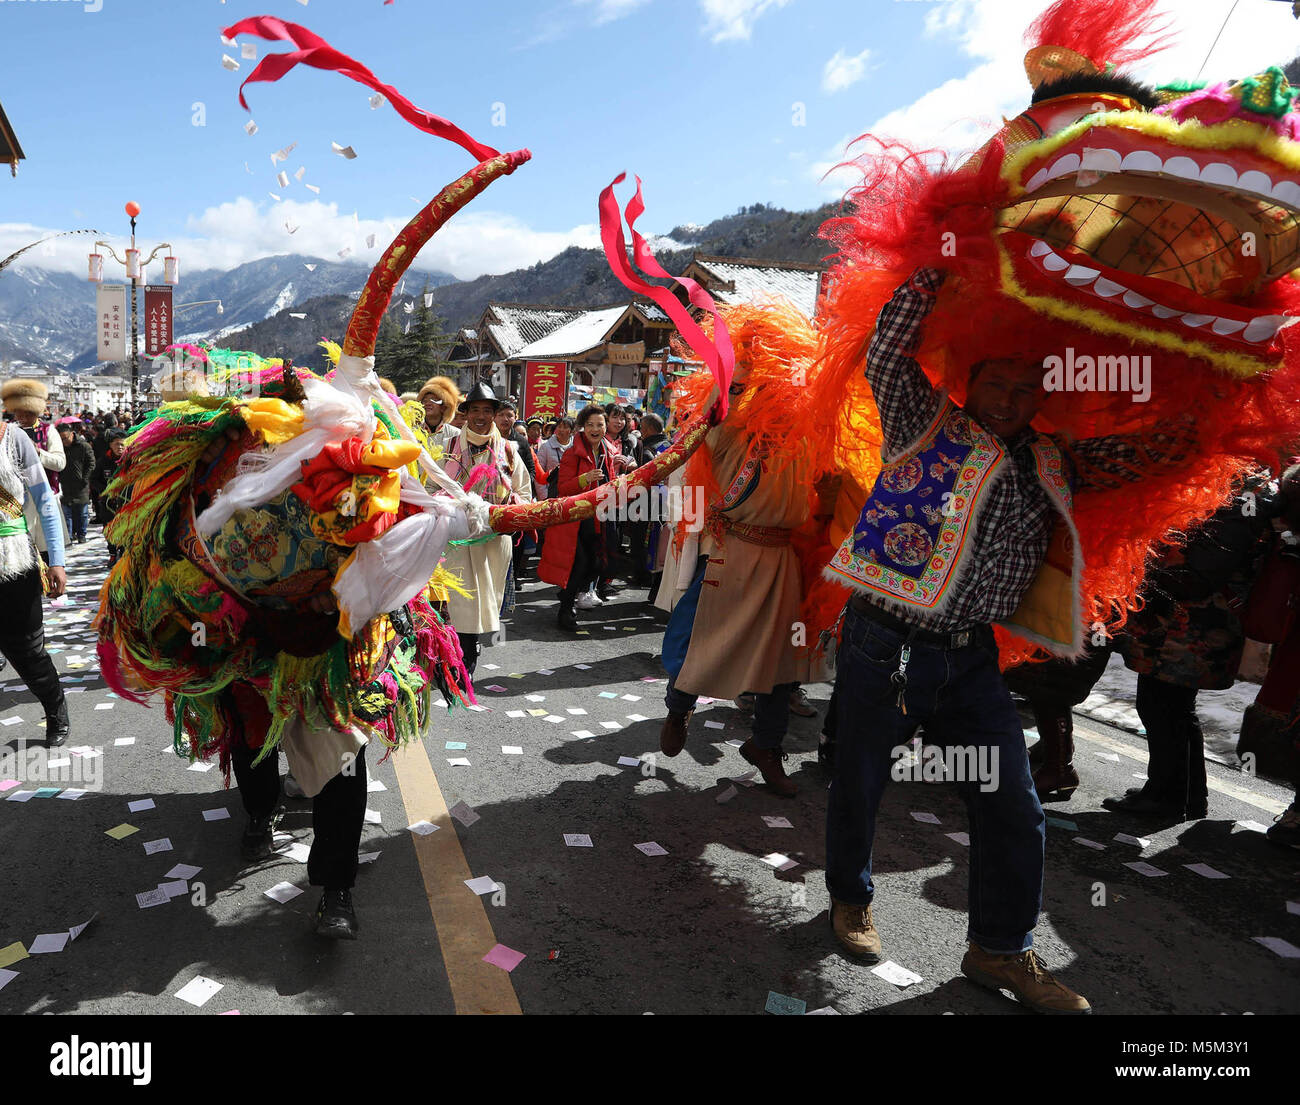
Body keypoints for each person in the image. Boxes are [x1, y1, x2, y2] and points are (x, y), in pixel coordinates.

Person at [821, 268, 1184, 1014]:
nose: (1012, 402)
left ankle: (998, 948)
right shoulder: (922, 420)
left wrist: (1213, 396)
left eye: (1027, 390)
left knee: (1013, 804)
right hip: (882, 642)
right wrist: (934, 270)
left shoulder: (1055, 459)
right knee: (861, 777)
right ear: (971, 380)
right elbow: (887, 354)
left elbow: (1149, 453)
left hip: (970, 657)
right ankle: (850, 900)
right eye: (1000, 385)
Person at [1105, 472, 1283, 821]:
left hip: (1195, 621)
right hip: (1191, 618)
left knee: (1162, 706)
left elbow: (1205, 569)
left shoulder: (1244, 489)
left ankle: (1165, 797)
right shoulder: (1244, 484)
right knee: (1172, 707)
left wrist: (1151, 575)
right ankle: (1185, 793)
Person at [441, 382, 532, 674]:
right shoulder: (449, 448)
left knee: (484, 596)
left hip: (493, 537)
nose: (481, 417)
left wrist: (506, 508)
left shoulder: (508, 450)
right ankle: (460, 654)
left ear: (495, 415)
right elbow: (432, 486)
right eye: (475, 410)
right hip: (457, 536)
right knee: (458, 597)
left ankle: (471, 646)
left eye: (487, 411)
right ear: (466, 414)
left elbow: (525, 493)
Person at [0, 409, 70, 746]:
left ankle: (56, 708)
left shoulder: (15, 440)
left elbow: (45, 502)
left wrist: (56, 560)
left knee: (28, 651)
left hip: (14, 558)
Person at [538, 405, 615, 632]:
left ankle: (567, 594)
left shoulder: (607, 451)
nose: (595, 429)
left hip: (597, 518)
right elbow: (563, 488)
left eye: (600, 424)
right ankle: (566, 609)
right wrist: (585, 479)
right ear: (582, 426)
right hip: (574, 519)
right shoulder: (573, 453)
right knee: (578, 563)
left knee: (597, 563)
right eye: (590, 424)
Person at [56, 417, 95, 545]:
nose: (64, 441)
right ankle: (69, 535)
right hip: (65, 484)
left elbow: (91, 463)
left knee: (82, 512)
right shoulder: (59, 448)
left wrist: (85, 478)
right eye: (61, 439)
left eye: (65, 438)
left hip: (81, 485)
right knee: (67, 513)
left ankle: (82, 534)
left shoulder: (83, 446)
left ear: (72, 434)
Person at [417, 375, 461, 460]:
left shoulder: (456, 434)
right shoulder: (413, 432)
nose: (428, 403)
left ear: (444, 407)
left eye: (434, 400)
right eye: (425, 400)